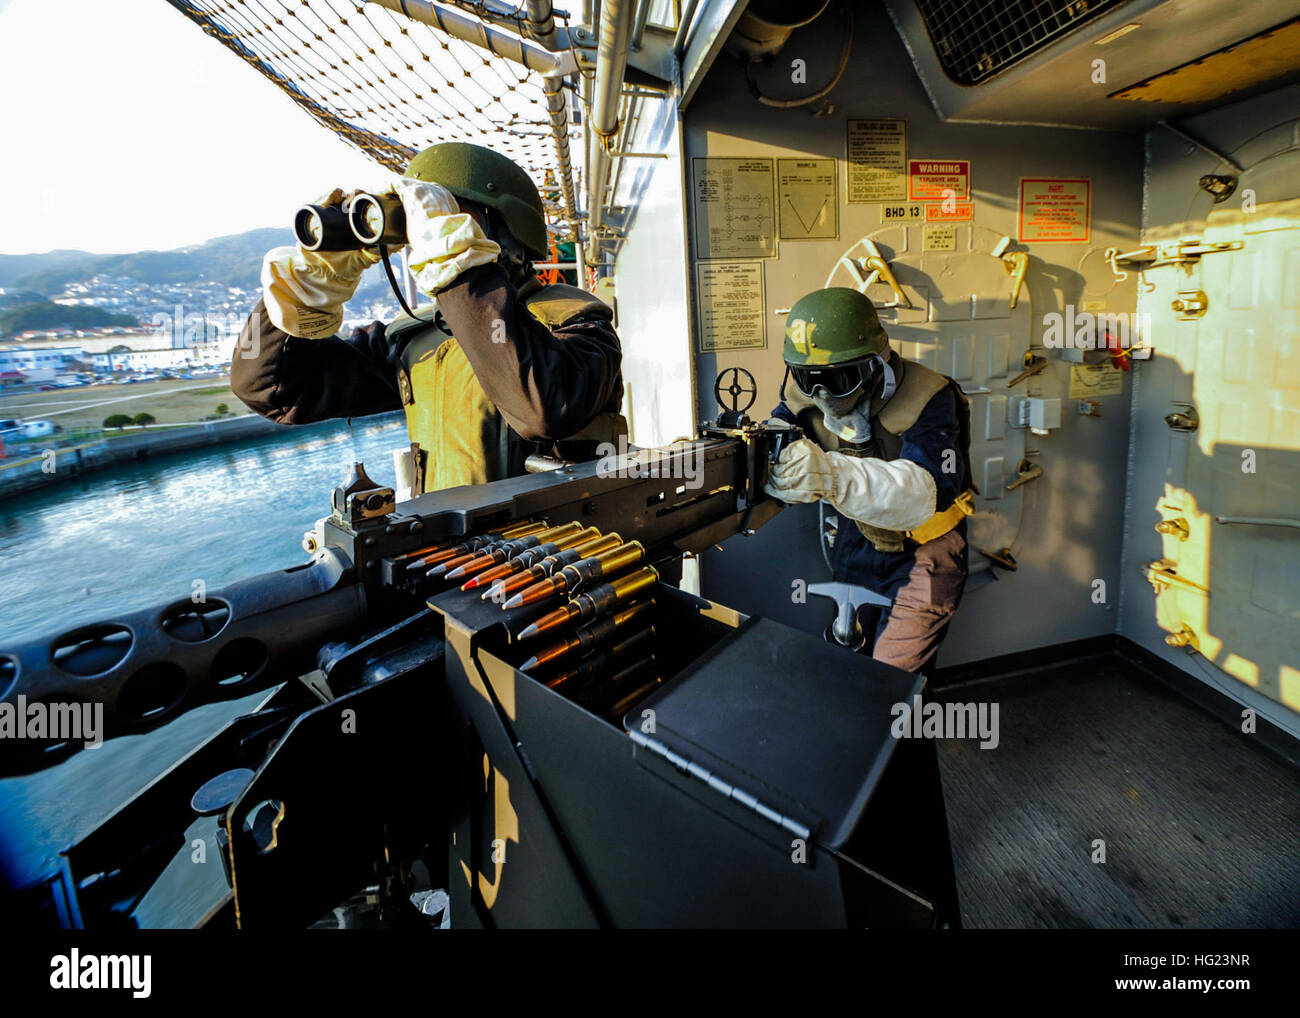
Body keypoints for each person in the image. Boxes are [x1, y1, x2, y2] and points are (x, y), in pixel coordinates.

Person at [231, 142, 626, 495]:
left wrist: (460, 272)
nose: (426, 234)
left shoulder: (580, 322)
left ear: (504, 230)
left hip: (559, 560)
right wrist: (305, 288)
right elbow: (274, 391)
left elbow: (542, 409)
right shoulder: (415, 340)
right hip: (453, 562)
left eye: (448, 217)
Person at [764, 287, 975, 674]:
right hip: (856, 539)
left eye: (839, 378)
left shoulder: (928, 396)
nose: (821, 394)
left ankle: (905, 733)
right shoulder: (802, 394)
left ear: (876, 364)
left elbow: (932, 491)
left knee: (893, 679)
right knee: (854, 664)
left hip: (924, 549)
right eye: (808, 378)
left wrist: (829, 475)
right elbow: (779, 431)